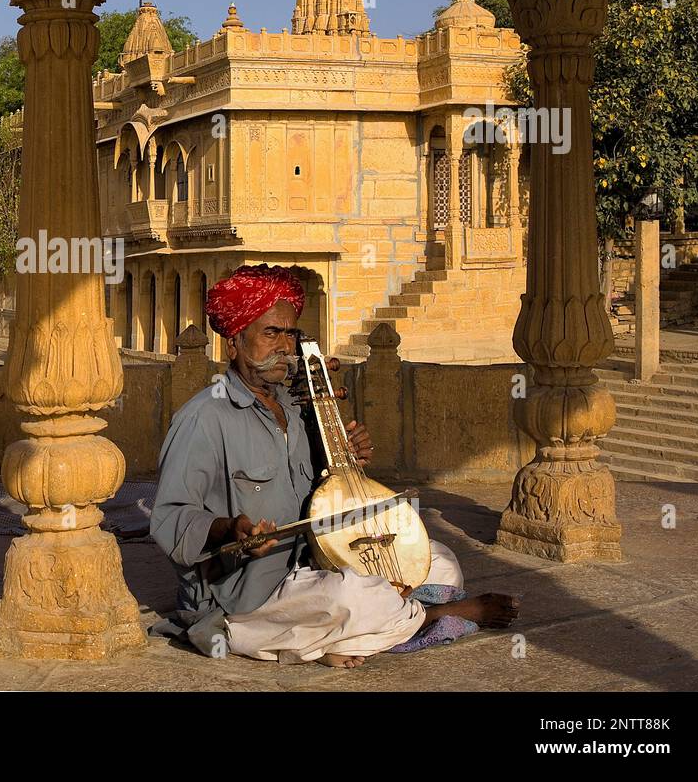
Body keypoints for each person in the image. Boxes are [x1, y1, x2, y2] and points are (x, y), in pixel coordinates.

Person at [149, 264, 520, 667]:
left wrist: (345, 461)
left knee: (440, 563)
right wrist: (229, 528)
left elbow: (320, 494)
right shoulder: (204, 417)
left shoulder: (296, 407)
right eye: (270, 333)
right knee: (353, 596)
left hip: (316, 558)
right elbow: (172, 518)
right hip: (247, 589)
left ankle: (335, 637)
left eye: (290, 334)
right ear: (235, 342)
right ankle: (430, 615)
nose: (285, 346)